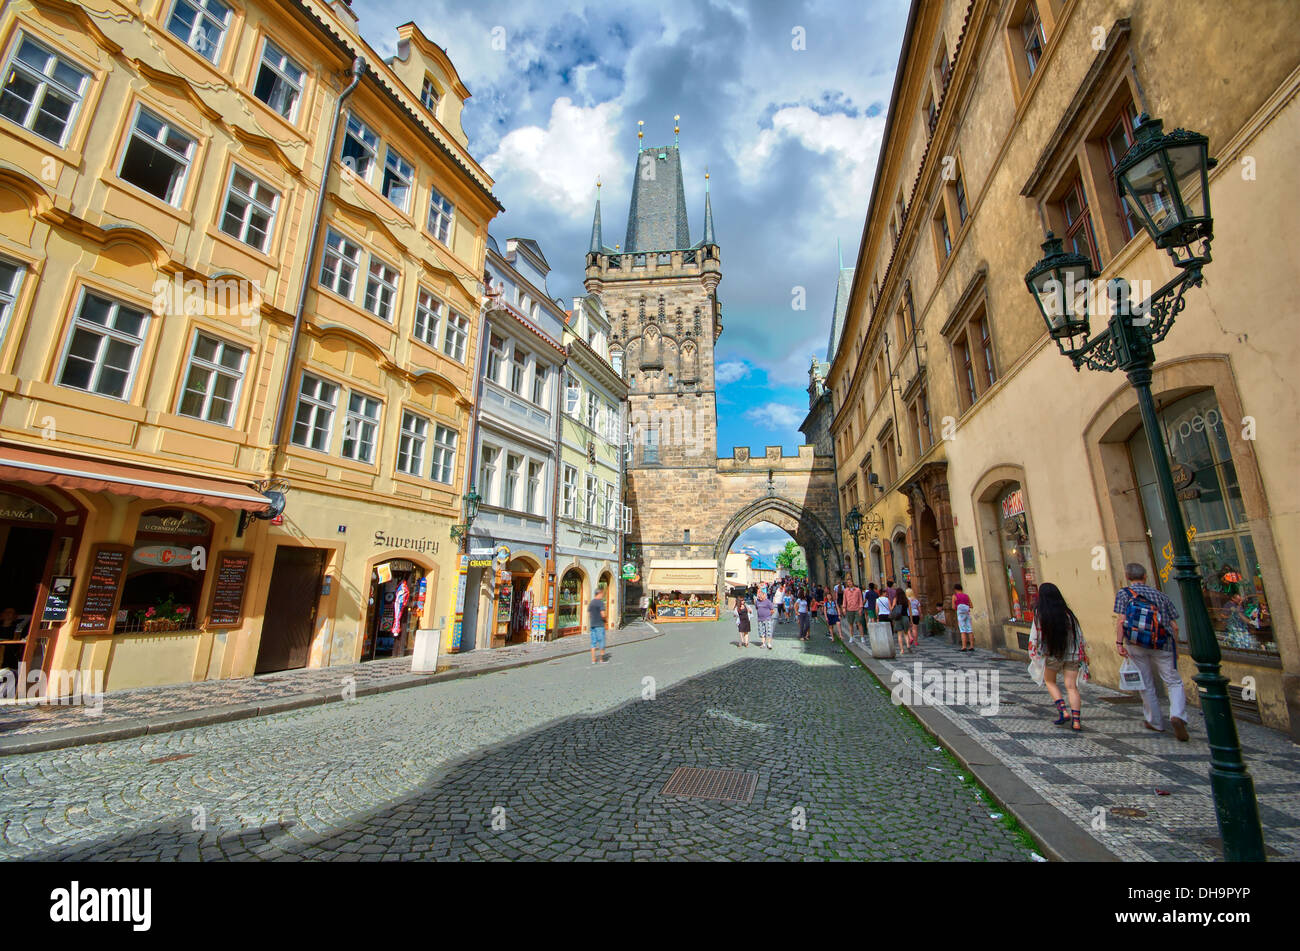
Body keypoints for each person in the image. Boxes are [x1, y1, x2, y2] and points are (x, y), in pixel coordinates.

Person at [1115, 563, 1188, 741]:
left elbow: (1121, 621)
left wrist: (1119, 643)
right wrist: (1175, 647)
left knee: (1145, 683)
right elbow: (1174, 626)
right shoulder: (1160, 595)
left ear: (1127, 577)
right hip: (1163, 644)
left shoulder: (1124, 594)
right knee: (1173, 681)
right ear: (1145, 576)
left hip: (1135, 644)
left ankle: (1154, 721)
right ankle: (1177, 714)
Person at [1028, 582, 1088, 732]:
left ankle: (1063, 711)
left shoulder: (1041, 613)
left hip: (1053, 653)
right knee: (1072, 686)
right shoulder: (1068, 614)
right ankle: (1076, 721)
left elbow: (1035, 636)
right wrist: (1083, 653)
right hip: (1072, 654)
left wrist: (1034, 652)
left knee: (1050, 681)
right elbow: (1079, 635)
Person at [841, 577, 865, 646]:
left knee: (859, 623)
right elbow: (844, 600)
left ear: (852, 582)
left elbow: (860, 599)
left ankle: (862, 637)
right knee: (850, 624)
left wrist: (861, 608)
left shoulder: (857, 590)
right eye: (848, 582)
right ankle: (851, 637)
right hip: (849, 609)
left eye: (850, 582)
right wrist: (844, 608)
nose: (849, 583)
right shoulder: (845, 591)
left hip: (857, 608)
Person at [588, 584, 609, 664]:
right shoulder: (600, 603)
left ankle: (593, 660)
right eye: (602, 594)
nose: (602, 596)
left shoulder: (591, 603)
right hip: (599, 625)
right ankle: (601, 659)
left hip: (593, 624)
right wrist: (605, 619)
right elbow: (603, 614)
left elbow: (589, 614)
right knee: (601, 641)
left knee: (593, 642)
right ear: (599, 594)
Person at [953, 584, 974, 651]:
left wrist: (958, 606)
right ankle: (971, 646)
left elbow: (953, 607)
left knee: (963, 631)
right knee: (970, 630)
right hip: (967, 614)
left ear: (955, 589)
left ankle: (964, 646)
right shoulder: (966, 596)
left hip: (960, 615)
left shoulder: (954, 596)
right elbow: (971, 605)